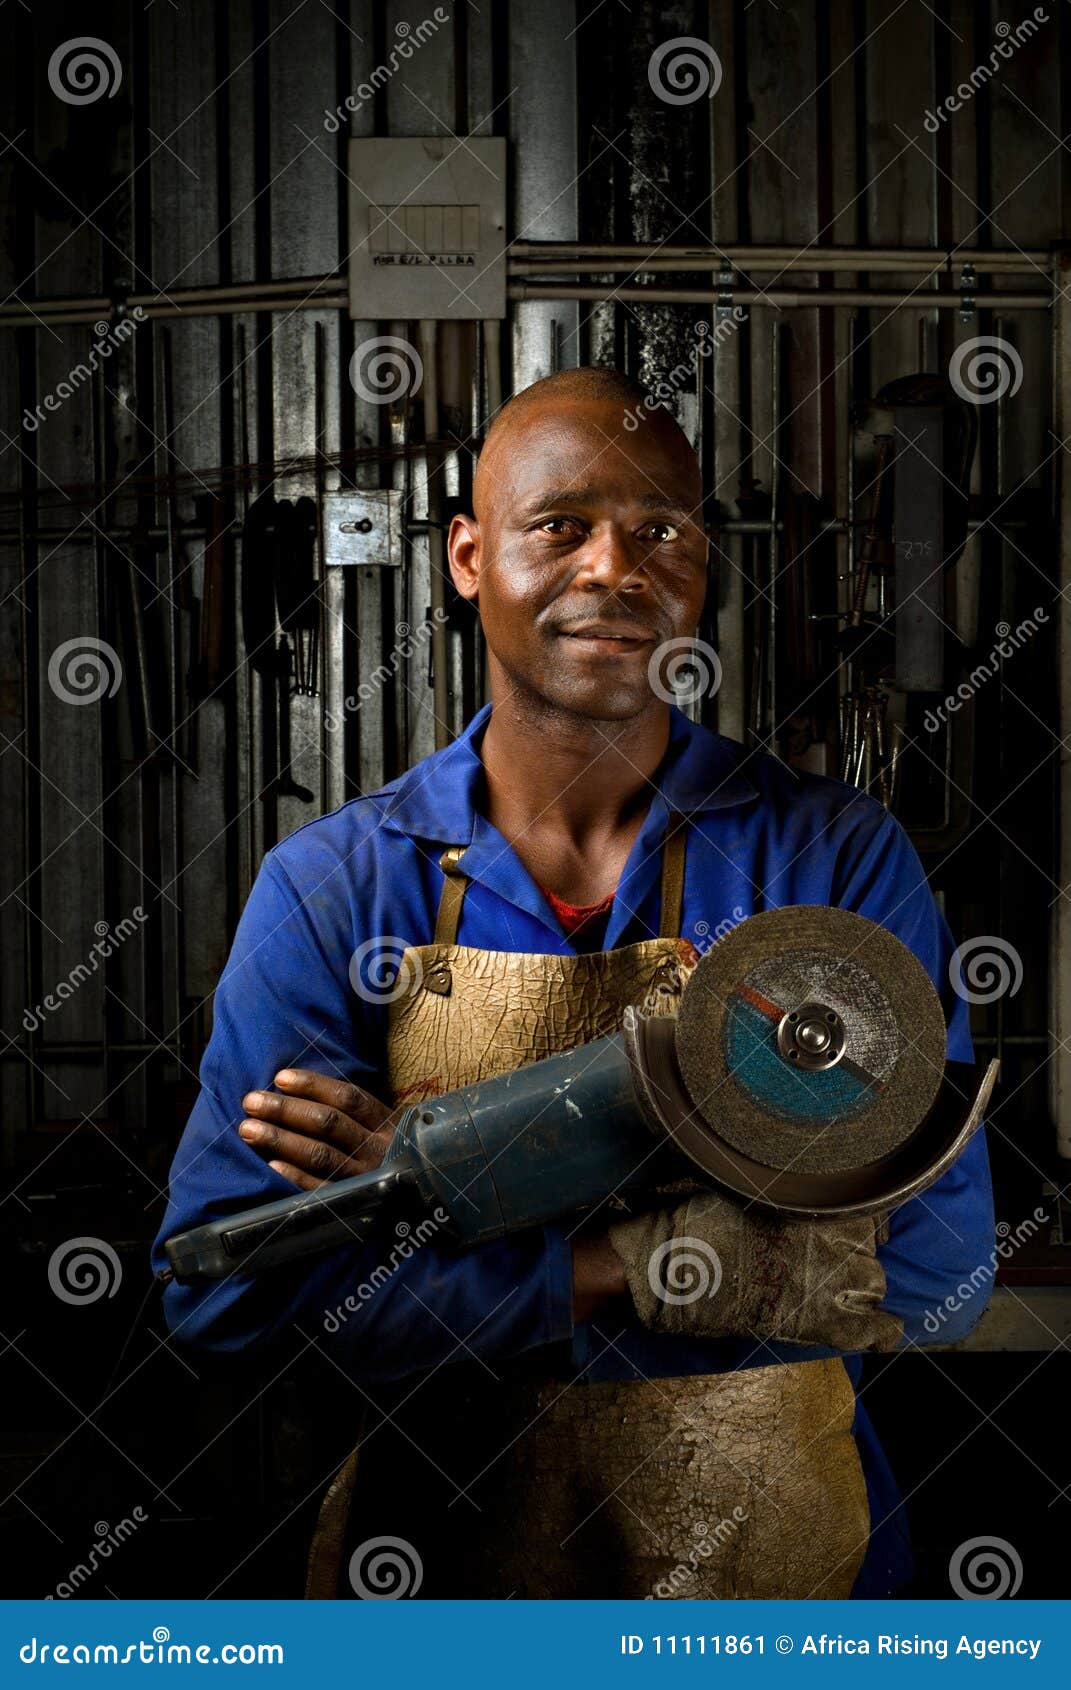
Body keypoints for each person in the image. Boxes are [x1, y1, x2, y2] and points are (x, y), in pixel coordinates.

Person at [152, 366, 994, 1599]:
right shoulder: (335, 888)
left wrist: (437, 1187)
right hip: (442, 1590)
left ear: (702, 570)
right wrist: (668, 1253)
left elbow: (930, 1272)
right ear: (466, 556)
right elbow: (226, 1298)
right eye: (561, 526)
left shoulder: (831, 857)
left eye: (662, 529)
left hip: (786, 1598)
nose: (616, 568)